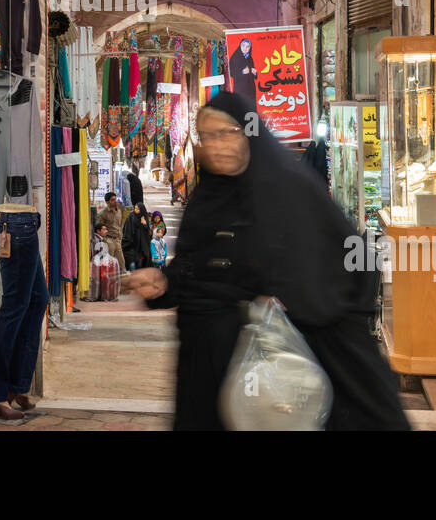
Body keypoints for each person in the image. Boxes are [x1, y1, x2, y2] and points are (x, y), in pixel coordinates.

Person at [122, 91, 408, 431]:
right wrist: (164, 283)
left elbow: (328, 270)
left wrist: (279, 296)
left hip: (266, 367)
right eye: (207, 136)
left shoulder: (286, 188)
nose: (216, 146)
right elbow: (194, 265)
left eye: (226, 134)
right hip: (206, 366)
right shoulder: (209, 196)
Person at [228, 38, 259, 114]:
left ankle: (252, 125)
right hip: (240, 89)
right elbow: (231, 73)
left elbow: (253, 75)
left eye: (248, 46)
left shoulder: (250, 58)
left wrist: (254, 73)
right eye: (244, 45)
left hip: (251, 89)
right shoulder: (234, 58)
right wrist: (242, 72)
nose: (245, 48)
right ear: (240, 46)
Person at [122, 199, 153, 271]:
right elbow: (127, 230)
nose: (135, 210)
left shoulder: (144, 217)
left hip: (142, 248)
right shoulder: (131, 217)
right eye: (135, 208)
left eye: (137, 209)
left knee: (141, 265)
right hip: (132, 245)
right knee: (133, 265)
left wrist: (145, 225)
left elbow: (148, 234)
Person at [98, 193, 124, 265]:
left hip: (118, 240)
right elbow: (99, 228)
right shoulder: (103, 213)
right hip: (109, 240)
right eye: (112, 200)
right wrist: (105, 240)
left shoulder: (119, 211)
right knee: (109, 263)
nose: (115, 201)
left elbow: (120, 224)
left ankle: (123, 275)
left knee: (121, 262)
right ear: (107, 202)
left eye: (115, 199)